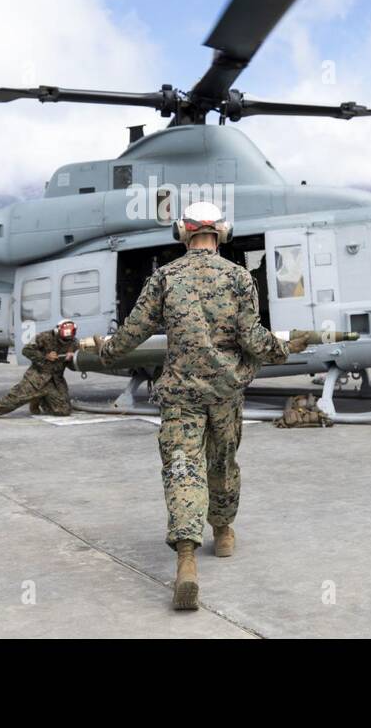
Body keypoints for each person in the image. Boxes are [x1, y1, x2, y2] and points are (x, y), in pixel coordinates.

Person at [96, 201, 309, 610]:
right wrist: (285, 348)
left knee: (182, 469)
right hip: (226, 393)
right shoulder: (239, 278)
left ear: (184, 233)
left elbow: (132, 332)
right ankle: (224, 533)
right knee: (222, 462)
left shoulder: (165, 277)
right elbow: (254, 341)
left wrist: (106, 353)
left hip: (180, 396)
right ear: (221, 233)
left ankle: (187, 561)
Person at [0, 319, 78, 419]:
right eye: (64, 339)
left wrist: (72, 358)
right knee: (14, 399)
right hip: (37, 378)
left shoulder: (74, 343)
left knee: (64, 410)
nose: (66, 341)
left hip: (55, 381)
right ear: (58, 331)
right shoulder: (44, 337)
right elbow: (26, 350)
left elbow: (73, 366)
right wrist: (45, 356)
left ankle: (39, 398)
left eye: (68, 339)